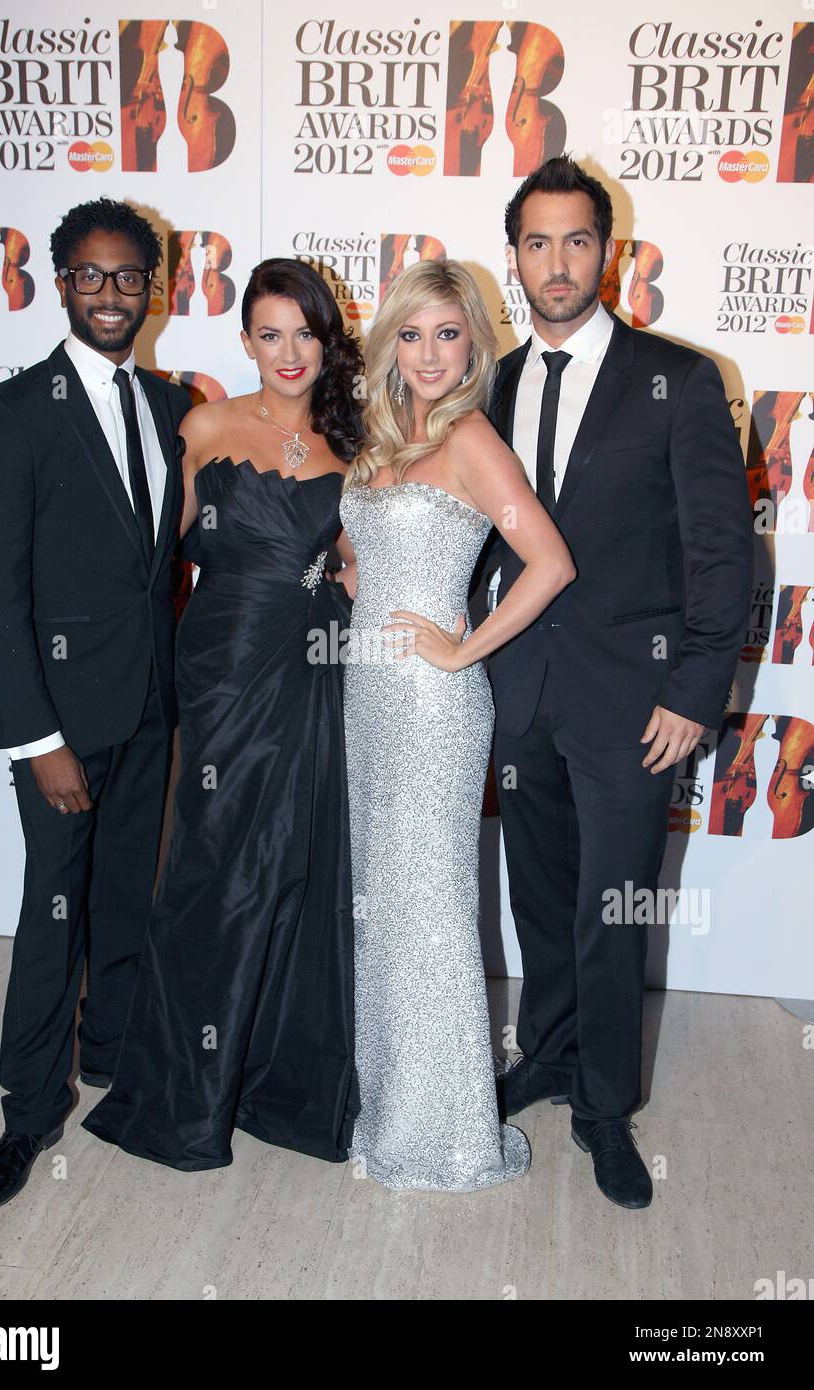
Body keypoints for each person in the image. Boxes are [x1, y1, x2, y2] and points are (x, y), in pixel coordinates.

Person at [477, 155, 753, 1209]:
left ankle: (605, 1107)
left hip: (638, 705)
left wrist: (694, 691)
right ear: (515, 258)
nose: (558, 263)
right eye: (538, 243)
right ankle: (545, 1052)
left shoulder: (678, 380)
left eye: (577, 240)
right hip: (522, 693)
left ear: (611, 251)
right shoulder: (490, 380)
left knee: (612, 907)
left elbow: (724, 556)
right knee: (540, 900)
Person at [82, 259, 365, 1169]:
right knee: (212, 868)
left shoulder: (355, 449)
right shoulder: (205, 426)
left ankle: (276, 1081)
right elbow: (153, 556)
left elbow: (359, 564)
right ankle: (186, 1089)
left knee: (297, 864)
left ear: (327, 340)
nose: (289, 352)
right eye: (270, 333)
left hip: (316, 667)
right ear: (245, 339)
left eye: (305, 333)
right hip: (221, 669)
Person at [0, 197, 192, 1208]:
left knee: (126, 902)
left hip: (149, 709)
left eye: (129, 277)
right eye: (91, 276)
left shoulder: (173, 405)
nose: (110, 294)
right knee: (52, 914)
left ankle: (112, 1059)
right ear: (61, 283)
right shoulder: (13, 413)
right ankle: (25, 1110)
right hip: (59, 720)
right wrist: (37, 738)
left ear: (155, 287)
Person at [338, 259, 575, 1191]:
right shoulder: (380, 436)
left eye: (448, 334)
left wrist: (462, 647)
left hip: (434, 708)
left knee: (430, 917)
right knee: (385, 913)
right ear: (389, 342)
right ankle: (391, 1110)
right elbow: (374, 545)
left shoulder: (472, 436)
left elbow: (549, 561)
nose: (430, 354)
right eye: (412, 333)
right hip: (366, 698)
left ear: (474, 342)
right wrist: (358, 578)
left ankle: (446, 1136)